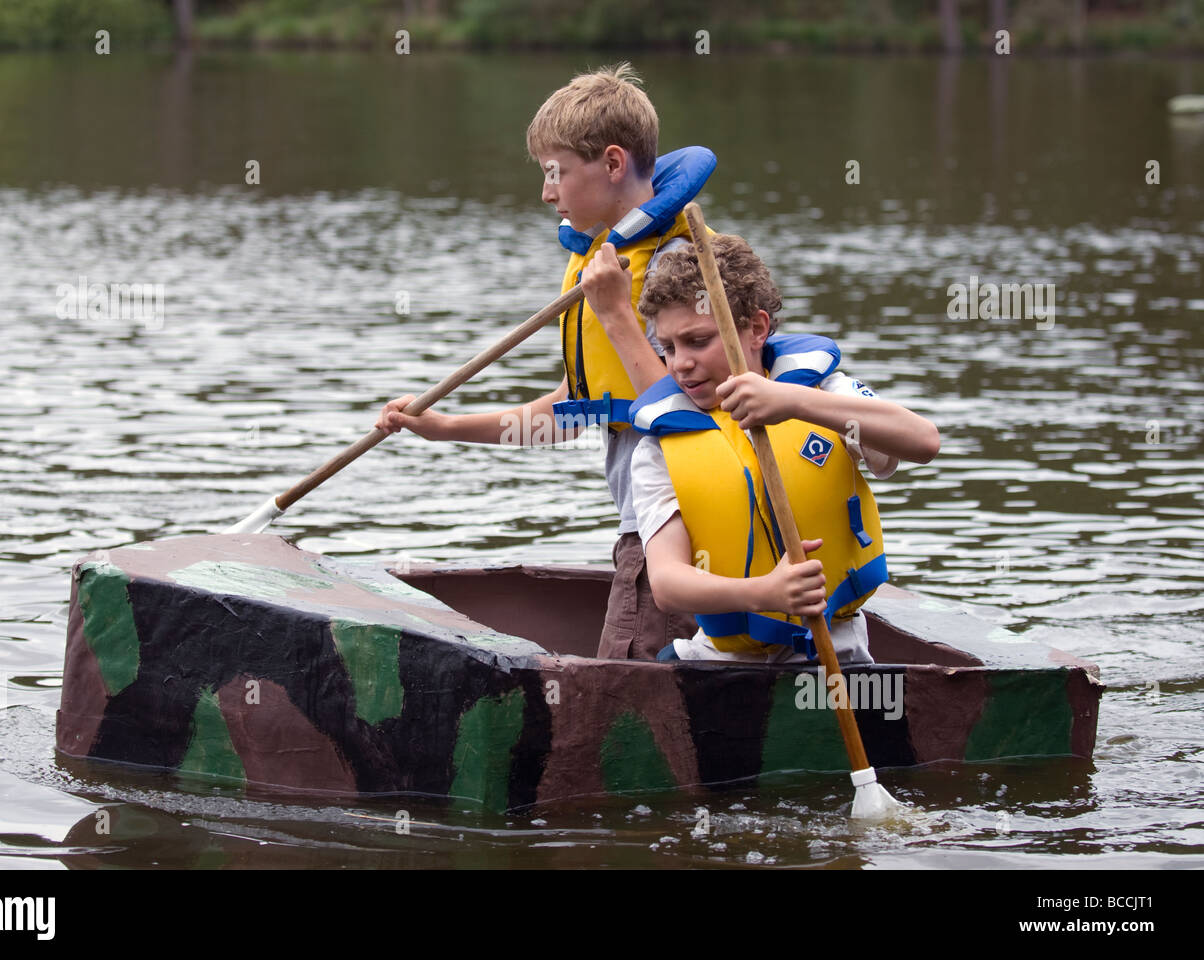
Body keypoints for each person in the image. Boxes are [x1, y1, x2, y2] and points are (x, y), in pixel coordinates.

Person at [376, 63, 719, 660]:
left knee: (629, 683)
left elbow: (692, 411)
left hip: (680, 526)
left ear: (613, 164)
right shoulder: (606, 258)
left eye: (556, 172)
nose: (547, 192)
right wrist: (444, 429)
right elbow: (573, 409)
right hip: (643, 529)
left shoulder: (678, 265)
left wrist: (615, 312)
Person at [626, 235, 941, 663]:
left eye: (697, 341)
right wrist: (765, 592)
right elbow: (667, 584)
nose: (680, 363)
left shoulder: (824, 392)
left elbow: (924, 442)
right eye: (668, 347)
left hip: (839, 652)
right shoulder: (659, 448)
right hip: (725, 664)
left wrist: (792, 402)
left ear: (756, 329)